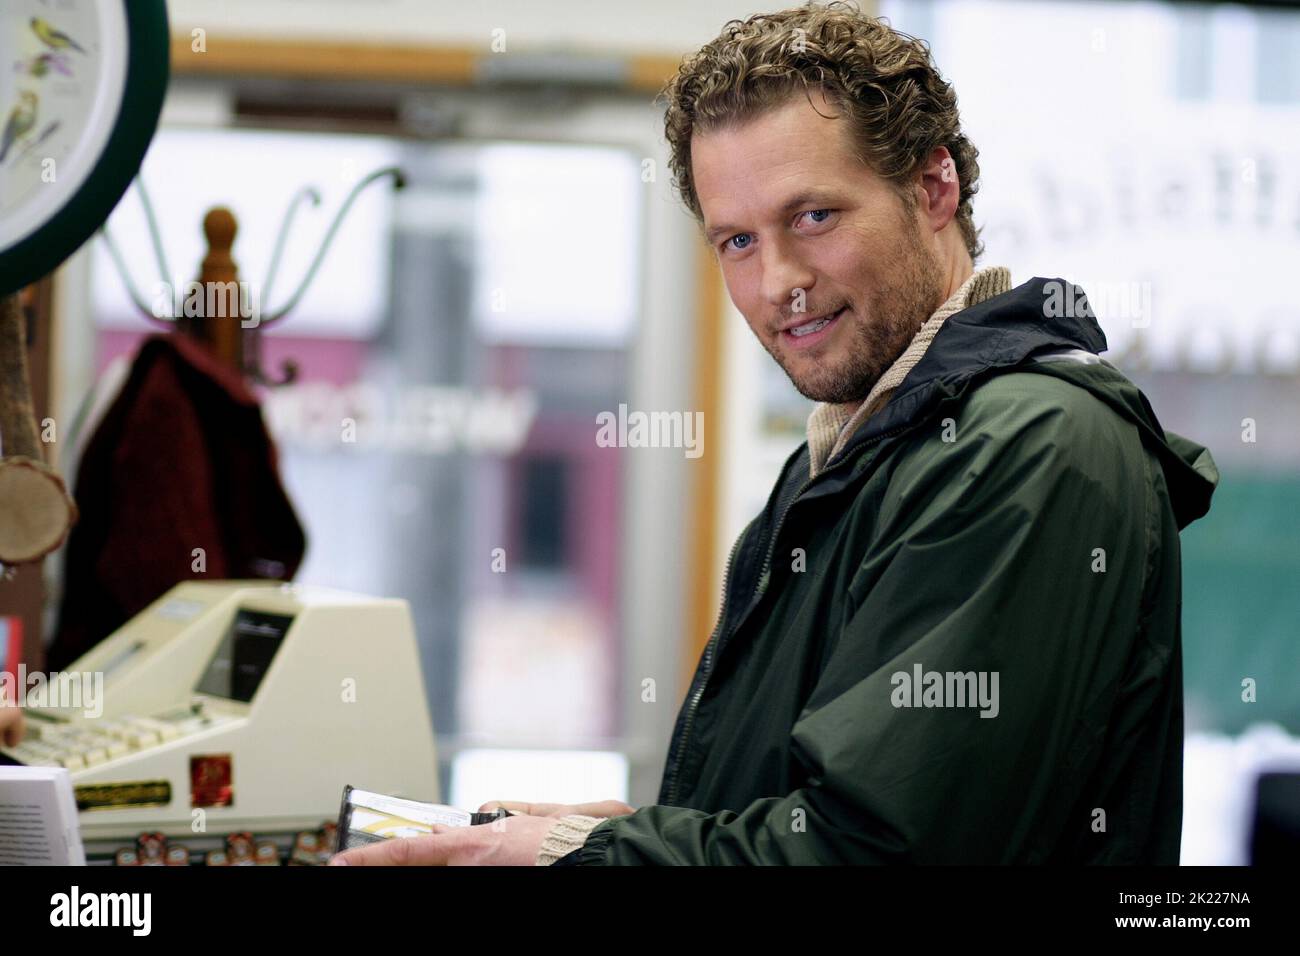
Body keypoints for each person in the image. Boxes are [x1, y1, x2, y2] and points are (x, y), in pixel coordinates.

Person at [330, 0, 1218, 866]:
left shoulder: (1026, 446)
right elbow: (816, 804)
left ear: (934, 186)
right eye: (737, 242)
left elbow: (875, 848)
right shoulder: (857, 446)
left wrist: (585, 857)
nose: (778, 283)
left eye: (813, 218)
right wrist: (616, 832)